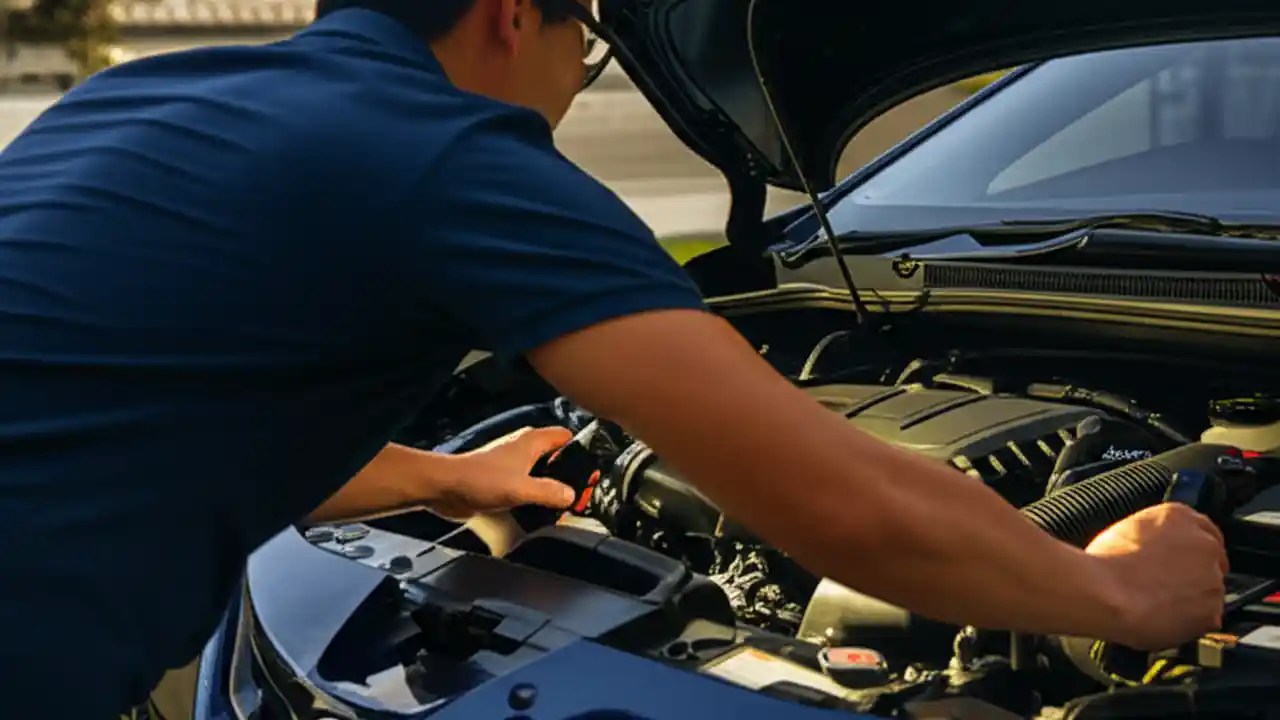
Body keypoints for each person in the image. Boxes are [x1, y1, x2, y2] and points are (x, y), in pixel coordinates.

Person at [0, 0, 1228, 716]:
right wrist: (1118, 595)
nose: (574, 85)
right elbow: (834, 504)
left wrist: (448, 478)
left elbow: (145, 418)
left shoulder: (139, 101)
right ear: (506, 13)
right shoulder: (449, 154)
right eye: (583, 49)